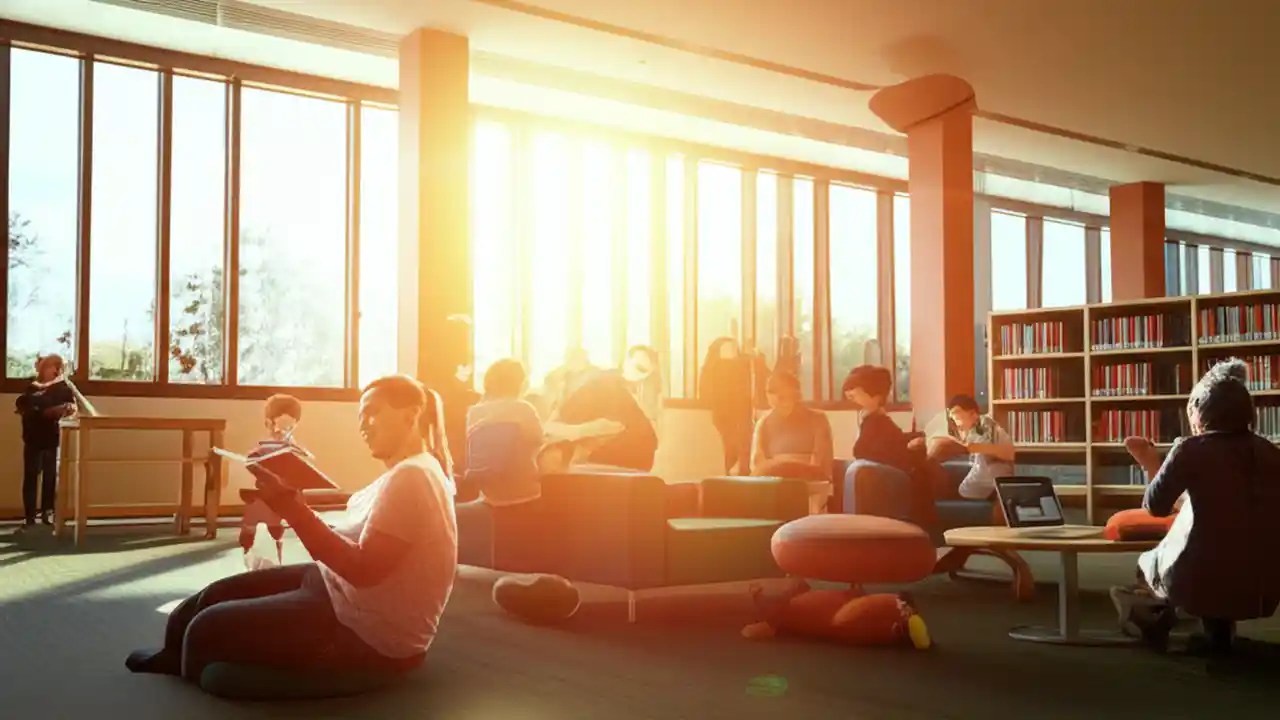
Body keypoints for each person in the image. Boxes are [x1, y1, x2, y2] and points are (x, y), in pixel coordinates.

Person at [125, 375, 458, 681]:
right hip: (337, 588)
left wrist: (291, 507)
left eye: (372, 413)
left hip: (371, 632)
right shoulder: (407, 471)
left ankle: (189, 660)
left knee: (206, 628)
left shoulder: (413, 477)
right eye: (360, 417)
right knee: (209, 597)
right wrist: (293, 503)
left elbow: (363, 570)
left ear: (411, 415)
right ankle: (176, 656)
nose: (363, 426)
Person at [1110, 359, 1280, 654]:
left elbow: (1155, 506)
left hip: (1199, 581)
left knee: (1150, 563)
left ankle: (1154, 622)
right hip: (1265, 585)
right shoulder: (1271, 453)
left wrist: (1160, 463)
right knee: (1226, 549)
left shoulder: (1189, 449)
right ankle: (1215, 636)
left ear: (1199, 411)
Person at [545, 346, 661, 472]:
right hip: (597, 468)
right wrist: (588, 429)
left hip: (627, 469)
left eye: (645, 372)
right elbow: (550, 429)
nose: (639, 375)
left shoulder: (636, 395)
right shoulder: (599, 386)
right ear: (626, 360)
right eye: (638, 367)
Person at [464, 359, 544, 505]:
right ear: (519, 384)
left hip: (488, 494)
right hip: (524, 492)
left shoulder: (474, 412)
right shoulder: (524, 409)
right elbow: (538, 440)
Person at [240, 394, 306, 567]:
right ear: (267, 424)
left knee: (277, 525)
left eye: (288, 427)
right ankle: (249, 552)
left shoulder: (294, 447)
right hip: (264, 494)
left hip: (287, 495)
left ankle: (277, 559)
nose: (279, 433)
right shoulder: (263, 447)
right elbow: (251, 460)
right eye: (275, 427)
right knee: (254, 516)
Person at [14, 354, 75, 532]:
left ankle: (48, 514)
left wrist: (66, 409)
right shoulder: (31, 387)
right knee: (31, 478)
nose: (55, 369)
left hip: (52, 439)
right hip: (33, 439)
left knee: (50, 479)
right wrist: (44, 410)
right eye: (51, 366)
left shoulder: (63, 388)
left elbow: (71, 407)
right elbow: (25, 405)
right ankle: (29, 517)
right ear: (43, 368)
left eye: (58, 366)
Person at [751, 371, 833, 482]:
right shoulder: (763, 422)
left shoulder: (818, 419)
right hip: (773, 480)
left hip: (809, 479)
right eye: (772, 391)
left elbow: (821, 459)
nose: (779, 396)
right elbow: (758, 462)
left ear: (796, 393)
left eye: (783, 389)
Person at [929, 394, 1015, 499]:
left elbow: (1007, 453)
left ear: (973, 414)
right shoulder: (977, 428)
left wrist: (969, 448)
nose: (957, 424)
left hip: (989, 484)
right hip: (983, 477)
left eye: (958, 418)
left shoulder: (984, 425)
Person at [842, 365, 915, 475]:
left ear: (876, 397)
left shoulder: (879, 423)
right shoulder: (870, 421)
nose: (852, 402)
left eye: (854, 396)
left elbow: (860, 451)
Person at [700, 338, 756, 474]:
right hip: (730, 414)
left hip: (735, 414)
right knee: (734, 449)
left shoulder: (713, 367)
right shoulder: (739, 367)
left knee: (736, 449)